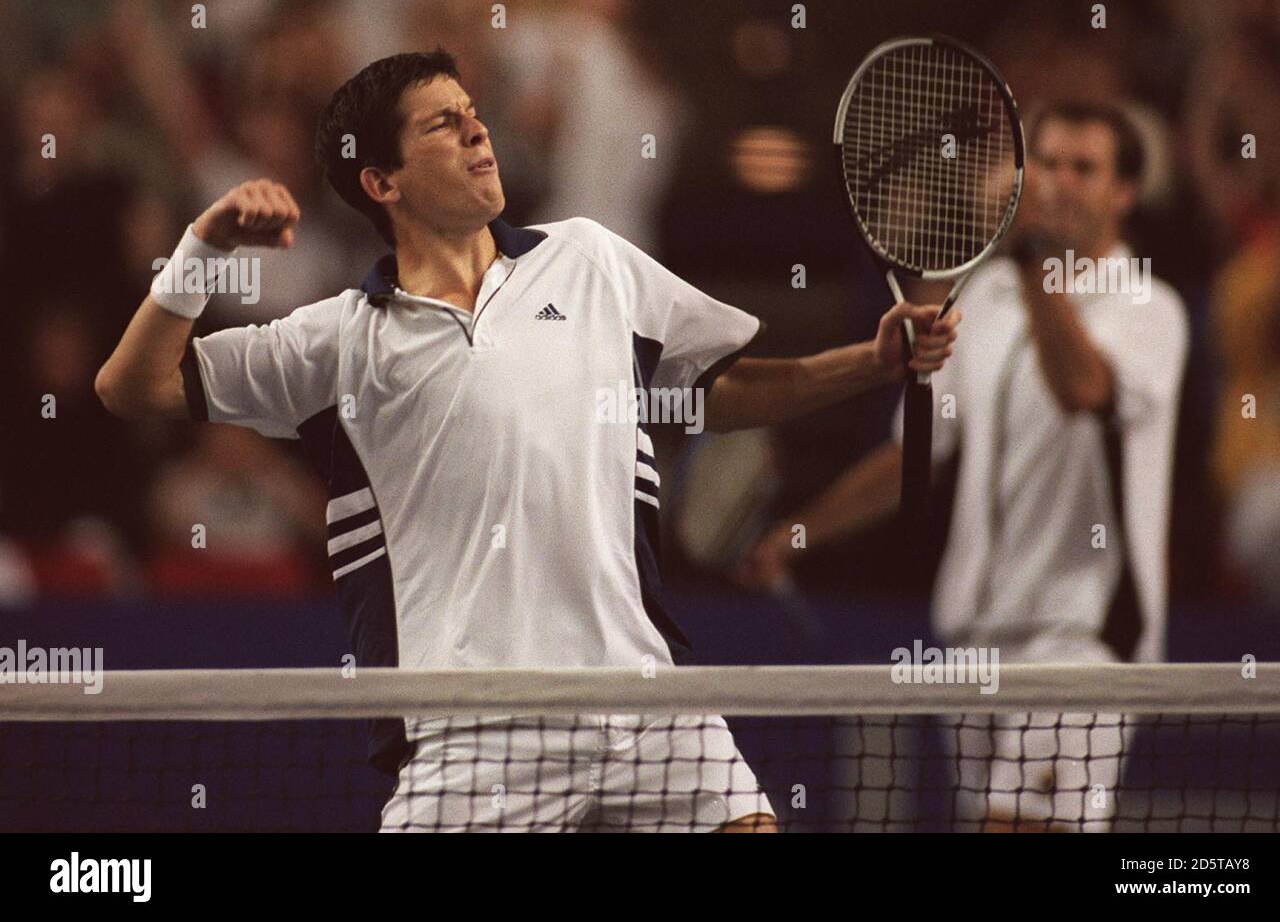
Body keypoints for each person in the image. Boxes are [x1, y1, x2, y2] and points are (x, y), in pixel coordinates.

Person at [94, 49, 959, 832]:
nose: (479, 130)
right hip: (476, 731)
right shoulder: (337, 341)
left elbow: (714, 394)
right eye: (443, 123)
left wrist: (869, 361)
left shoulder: (589, 260)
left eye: (474, 111)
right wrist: (203, 246)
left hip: (645, 698)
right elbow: (132, 386)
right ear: (381, 182)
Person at [744, 101, 1190, 831]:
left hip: (1080, 641)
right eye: (1046, 162)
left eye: (1085, 168)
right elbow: (916, 455)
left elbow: (1081, 388)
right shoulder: (982, 297)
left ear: (1124, 193)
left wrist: (1035, 267)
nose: (1060, 181)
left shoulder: (1150, 307)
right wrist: (798, 531)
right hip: (973, 645)